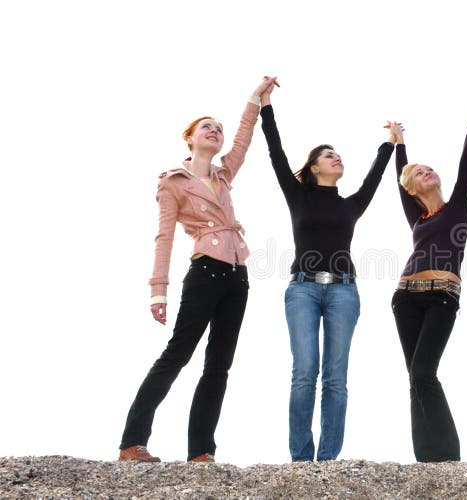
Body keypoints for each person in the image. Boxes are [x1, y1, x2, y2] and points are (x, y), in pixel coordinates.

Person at [119, 77, 274, 463]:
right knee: (177, 354)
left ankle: (201, 451)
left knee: (219, 365)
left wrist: (255, 99)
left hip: (238, 275)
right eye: (208, 126)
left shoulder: (224, 174)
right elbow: (164, 238)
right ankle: (132, 442)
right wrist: (158, 289)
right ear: (190, 138)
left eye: (218, 128)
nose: (216, 132)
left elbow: (243, 140)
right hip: (205, 271)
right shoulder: (173, 183)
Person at [259, 77, 397, 462]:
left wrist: (391, 143)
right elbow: (275, 154)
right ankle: (302, 461)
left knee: (335, 379)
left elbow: (374, 179)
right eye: (328, 154)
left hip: (343, 291)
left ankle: (328, 461)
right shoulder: (297, 194)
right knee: (305, 372)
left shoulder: (350, 205)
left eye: (338, 154)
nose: (337, 158)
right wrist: (265, 104)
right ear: (314, 166)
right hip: (302, 289)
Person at [387, 75, 467, 462]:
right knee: (415, 378)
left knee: (425, 373)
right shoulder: (417, 215)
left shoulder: (456, 206)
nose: (426, 172)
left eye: (429, 168)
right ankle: (425, 460)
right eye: (418, 172)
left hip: (443, 296)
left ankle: (448, 457)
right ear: (411, 188)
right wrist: (400, 146)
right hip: (406, 296)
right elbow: (399, 183)